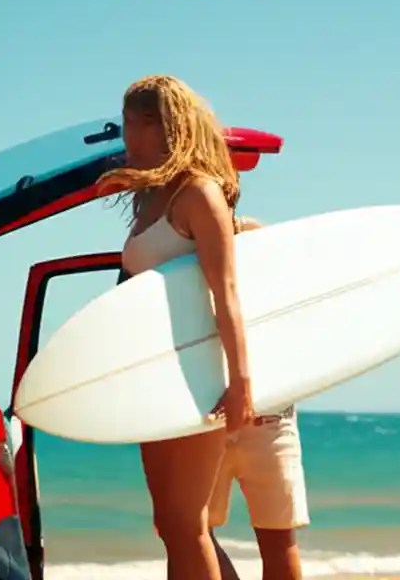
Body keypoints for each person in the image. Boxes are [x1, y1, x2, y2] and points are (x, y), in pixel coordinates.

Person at [98, 74, 254, 580]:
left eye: (137, 124)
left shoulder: (199, 195)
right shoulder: (149, 197)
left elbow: (226, 294)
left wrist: (241, 385)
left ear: (165, 126)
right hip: (155, 375)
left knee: (187, 524)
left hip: (197, 376)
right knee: (171, 524)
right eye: (127, 125)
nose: (129, 138)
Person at [208, 215, 309, 580]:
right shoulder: (249, 240)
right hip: (243, 412)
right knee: (198, 533)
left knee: (193, 534)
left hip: (236, 411)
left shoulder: (245, 237)